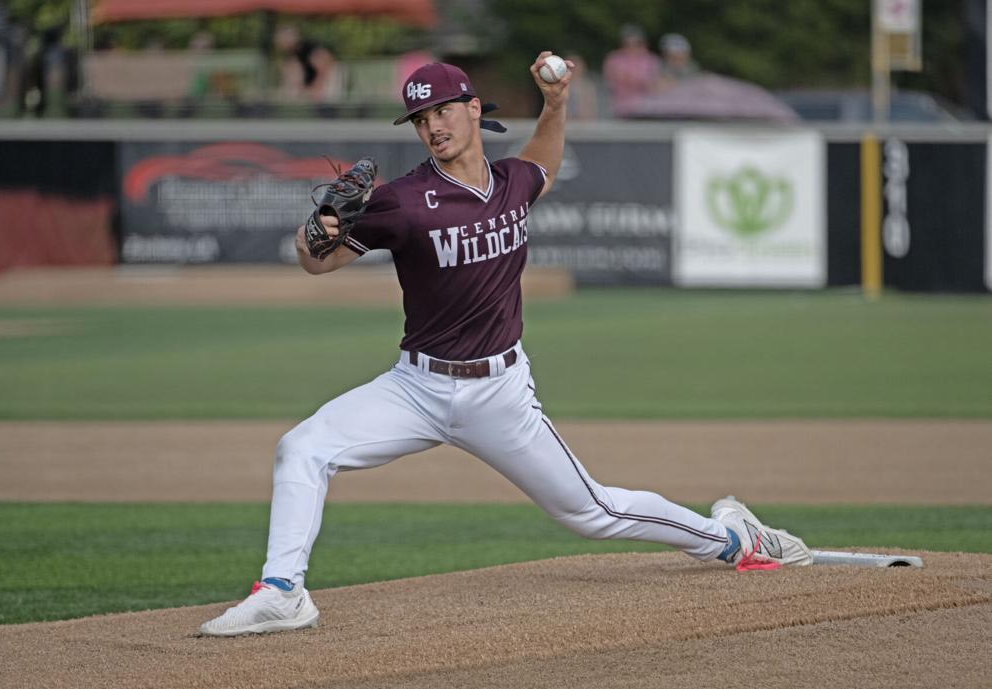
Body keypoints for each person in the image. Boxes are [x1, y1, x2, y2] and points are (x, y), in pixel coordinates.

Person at [199, 53, 812, 637]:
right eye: (420, 118)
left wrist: (557, 102)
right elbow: (316, 264)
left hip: (499, 394)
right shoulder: (403, 201)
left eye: (441, 110)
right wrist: (315, 233)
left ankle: (733, 540)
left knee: (593, 513)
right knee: (302, 448)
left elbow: (541, 160)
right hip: (416, 387)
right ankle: (283, 592)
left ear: (472, 109)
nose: (432, 126)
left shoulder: (513, 182)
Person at [602, 24, 660, 118]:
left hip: (650, 108)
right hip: (621, 107)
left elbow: (656, 85)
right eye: (628, 43)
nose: (631, 46)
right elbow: (614, 81)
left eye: (636, 43)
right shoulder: (614, 59)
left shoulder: (651, 59)